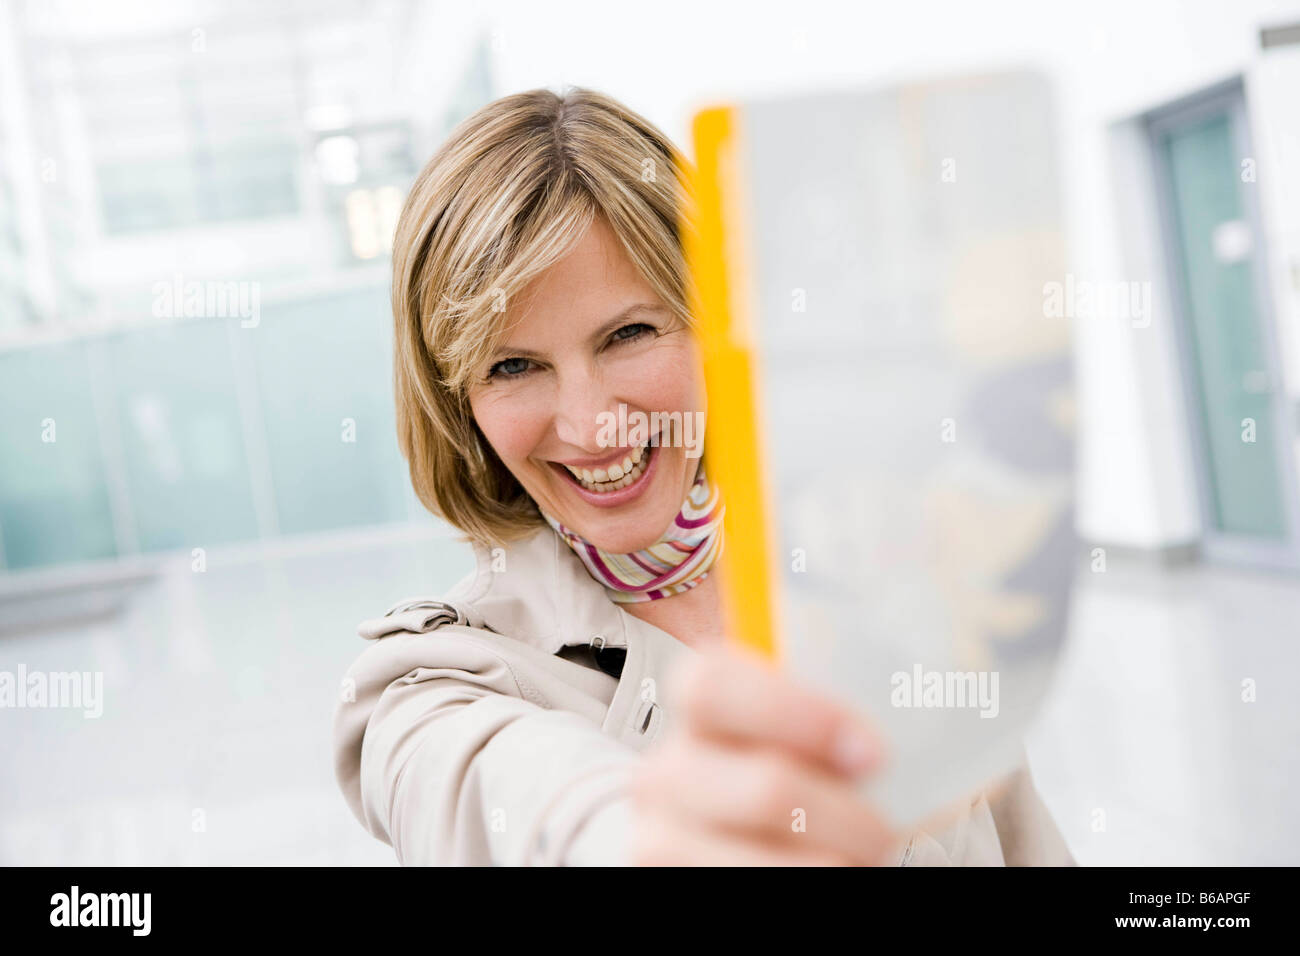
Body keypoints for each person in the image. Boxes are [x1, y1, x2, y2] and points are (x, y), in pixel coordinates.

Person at [331, 86, 1075, 866]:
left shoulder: (886, 569)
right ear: (459, 402)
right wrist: (652, 839)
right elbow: (502, 792)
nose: (590, 425)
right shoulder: (434, 683)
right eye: (514, 366)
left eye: (630, 333)